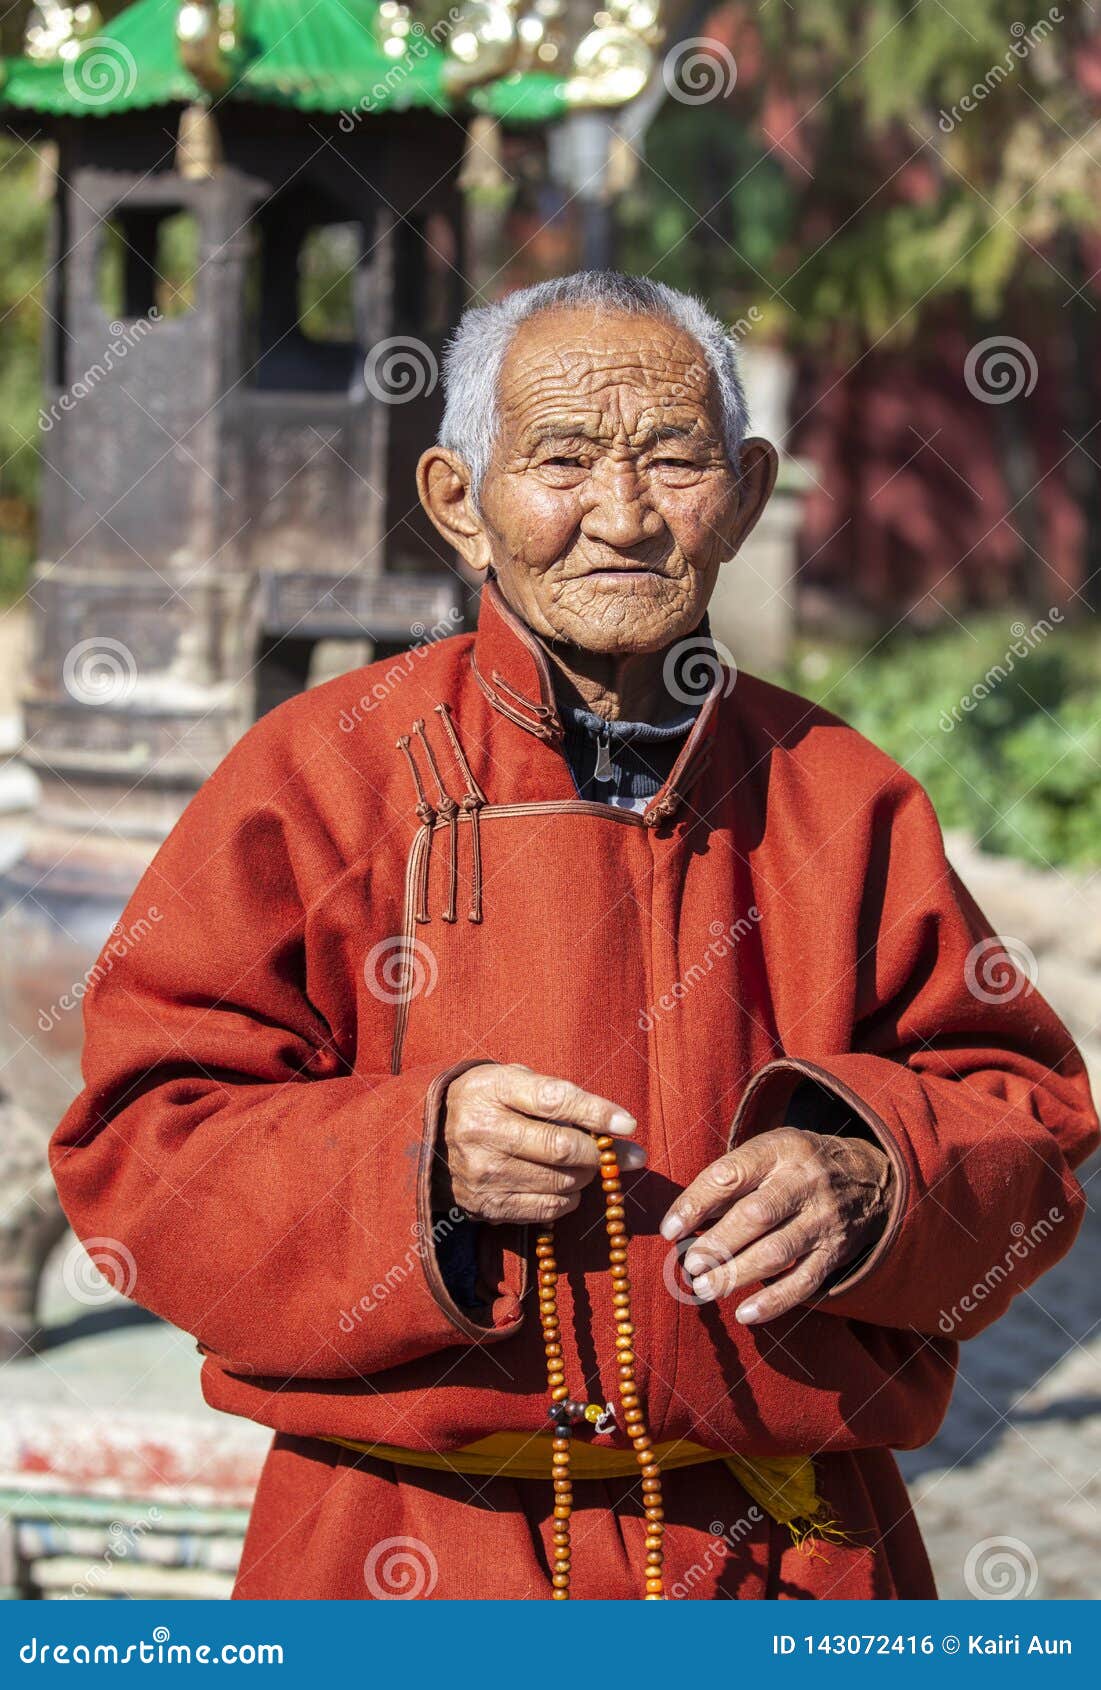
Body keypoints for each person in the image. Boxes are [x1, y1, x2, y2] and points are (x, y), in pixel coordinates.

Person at [50, 272, 1098, 1601]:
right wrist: (412, 1158)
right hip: (406, 1553)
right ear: (457, 502)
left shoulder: (841, 792)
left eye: (673, 460)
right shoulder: (319, 776)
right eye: (558, 461)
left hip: (782, 1551)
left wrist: (874, 1170)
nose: (620, 514)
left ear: (750, 489)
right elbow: (143, 1140)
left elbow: (1029, 1130)